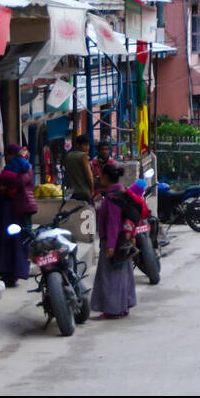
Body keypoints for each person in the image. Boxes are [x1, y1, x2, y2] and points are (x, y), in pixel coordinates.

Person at [0, 143, 36, 288]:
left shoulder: (22, 168)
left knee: (13, 243)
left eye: (6, 154)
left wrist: (0, 190)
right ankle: (9, 274)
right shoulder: (23, 167)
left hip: (13, 211)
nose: (6, 157)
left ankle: (12, 274)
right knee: (11, 243)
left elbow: (16, 184)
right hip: (10, 210)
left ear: (11, 154)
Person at [92, 164, 138, 319]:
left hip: (114, 241)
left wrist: (110, 246)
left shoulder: (112, 197)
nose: (99, 177)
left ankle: (113, 309)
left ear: (106, 177)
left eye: (100, 175)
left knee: (110, 276)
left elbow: (112, 223)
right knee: (123, 274)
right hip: (124, 239)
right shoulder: (123, 192)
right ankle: (123, 306)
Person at [63, 134, 95, 202]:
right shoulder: (83, 156)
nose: (87, 148)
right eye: (85, 145)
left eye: (88, 145)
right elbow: (89, 176)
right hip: (83, 192)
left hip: (70, 193)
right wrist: (92, 190)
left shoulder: (68, 156)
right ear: (78, 145)